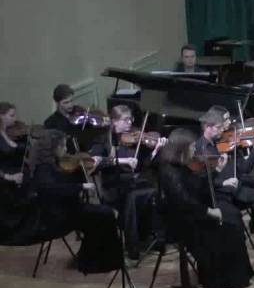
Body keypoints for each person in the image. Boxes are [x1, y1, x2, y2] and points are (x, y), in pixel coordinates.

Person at [157, 129, 252, 288]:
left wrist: (216, 171)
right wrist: (209, 211)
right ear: (181, 149)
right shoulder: (169, 171)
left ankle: (238, 274)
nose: (195, 150)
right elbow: (184, 201)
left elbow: (200, 189)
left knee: (233, 224)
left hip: (193, 212)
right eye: (192, 147)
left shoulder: (184, 166)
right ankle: (219, 279)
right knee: (224, 231)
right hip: (181, 221)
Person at [28, 128, 125, 275]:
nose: (66, 149)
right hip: (58, 214)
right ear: (53, 148)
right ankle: (95, 261)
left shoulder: (55, 163)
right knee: (104, 214)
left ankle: (97, 259)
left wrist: (83, 172)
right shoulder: (44, 168)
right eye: (63, 146)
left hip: (69, 208)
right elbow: (54, 190)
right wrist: (81, 186)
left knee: (104, 214)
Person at [195, 109, 254, 254]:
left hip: (234, 185)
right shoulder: (201, 149)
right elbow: (202, 180)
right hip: (222, 193)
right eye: (219, 127)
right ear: (207, 127)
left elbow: (245, 168)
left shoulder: (221, 145)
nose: (223, 130)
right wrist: (223, 182)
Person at [90, 105, 164, 258]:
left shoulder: (135, 139)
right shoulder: (103, 139)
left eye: (131, 119)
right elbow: (95, 162)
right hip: (113, 185)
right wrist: (123, 161)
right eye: (125, 120)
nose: (130, 123)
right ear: (114, 121)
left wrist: (156, 149)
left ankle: (151, 236)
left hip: (133, 182)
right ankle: (133, 244)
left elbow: (144, 165)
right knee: (132, 197)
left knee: (155, 190)